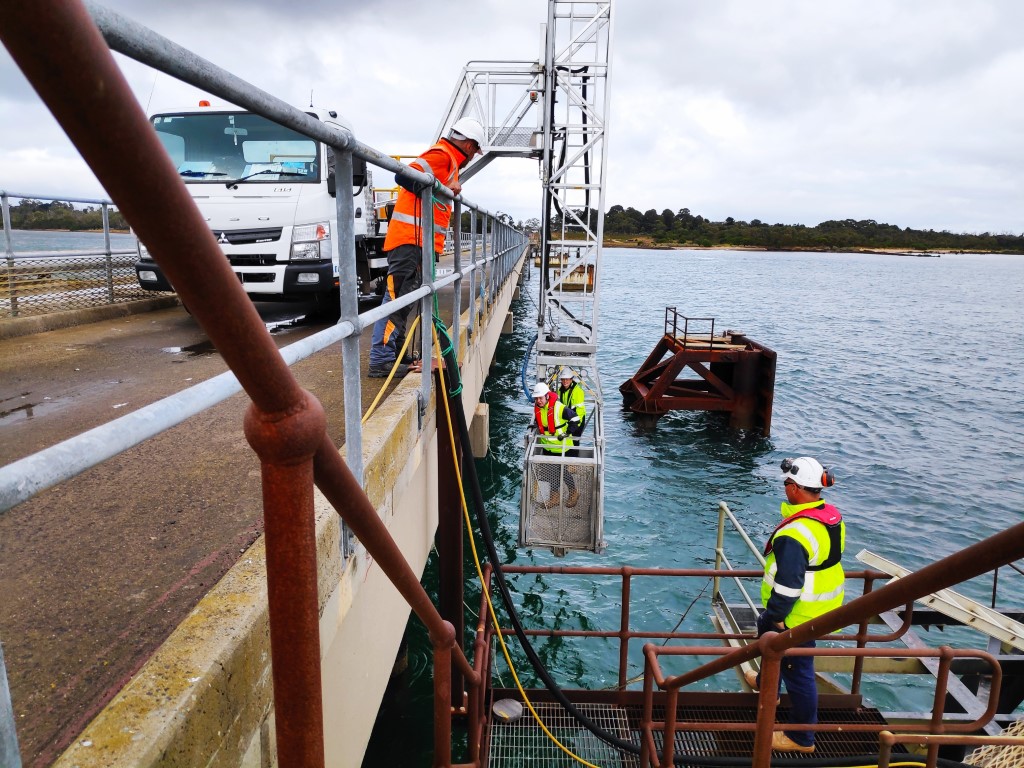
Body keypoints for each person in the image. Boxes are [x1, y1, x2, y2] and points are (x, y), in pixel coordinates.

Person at [368, 117, 486, 378]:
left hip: (420, 242)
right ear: (468, 145)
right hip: (411, 240)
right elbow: (404, 174)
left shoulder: (449, 161)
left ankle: (397, 355)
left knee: (406, 299)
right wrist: (441, 185)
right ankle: (381, 360)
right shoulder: (443, 155)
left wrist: (444, 185)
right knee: (397, 298)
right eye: (474, 151)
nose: (472, 157)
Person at [747, 456, 844, 755]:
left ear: (795, 489)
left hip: (796, 613)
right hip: (821, 608)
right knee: (765, 634)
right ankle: (768, 685)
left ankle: (802, 737)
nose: (785, 489)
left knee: (798, 670)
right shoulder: (829, 515)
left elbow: (789, 585)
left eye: (787, 484)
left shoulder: (794, 533)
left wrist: (778, 617)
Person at [531, 381, 578, 508]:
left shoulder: (559, 408)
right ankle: (555, 496)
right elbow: (542, 422)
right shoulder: (538, 408)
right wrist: (535, 425)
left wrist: (568, 433)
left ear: (547, 396)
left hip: (562, 447)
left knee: (562, 471)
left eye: (540, 398)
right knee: (552, 472)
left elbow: (575, 419)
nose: (538, 401)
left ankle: (574, 492)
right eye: (536, 398)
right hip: (548, 448)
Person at [556, 368, 586, 453]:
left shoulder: (578, 392)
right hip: (568, 420)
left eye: (567, 379)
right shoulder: (560, 390)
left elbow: (580, 412)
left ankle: (573, 463)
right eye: (563, 379)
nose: (565, 381)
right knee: (566, 442)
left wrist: (575, 426)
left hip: (577, 421)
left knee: (574, 443)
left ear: (571, 379)